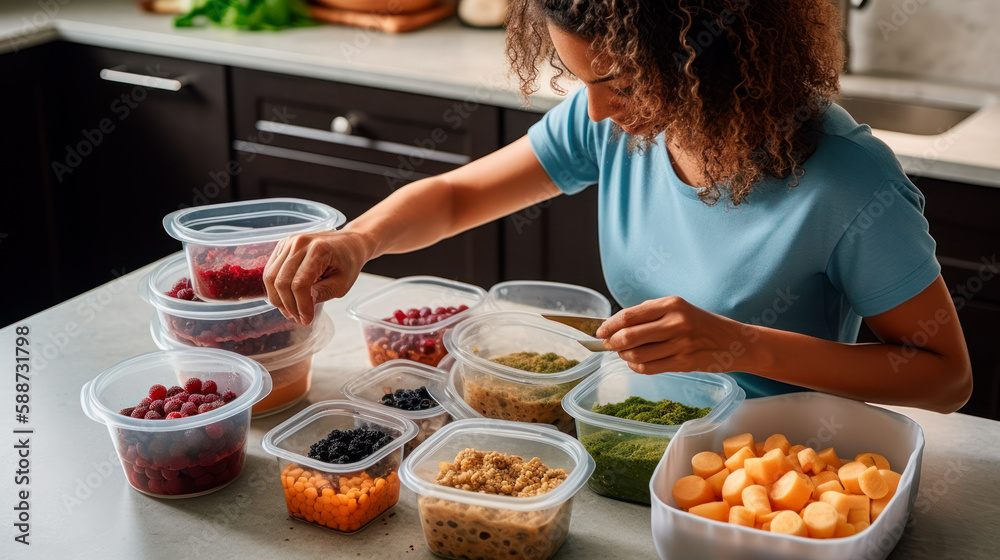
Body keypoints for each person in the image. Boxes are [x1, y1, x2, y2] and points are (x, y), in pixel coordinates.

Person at [263, 0, 972, 414]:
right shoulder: (611, 119)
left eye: (623, 79)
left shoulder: (848, 180)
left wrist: (736, 343)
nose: (598, 109)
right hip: (640, 429)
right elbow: (456, 196)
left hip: (776, 468)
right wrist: (358, 240)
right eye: (583, 81)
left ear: (706, 52)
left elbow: (946, 377)